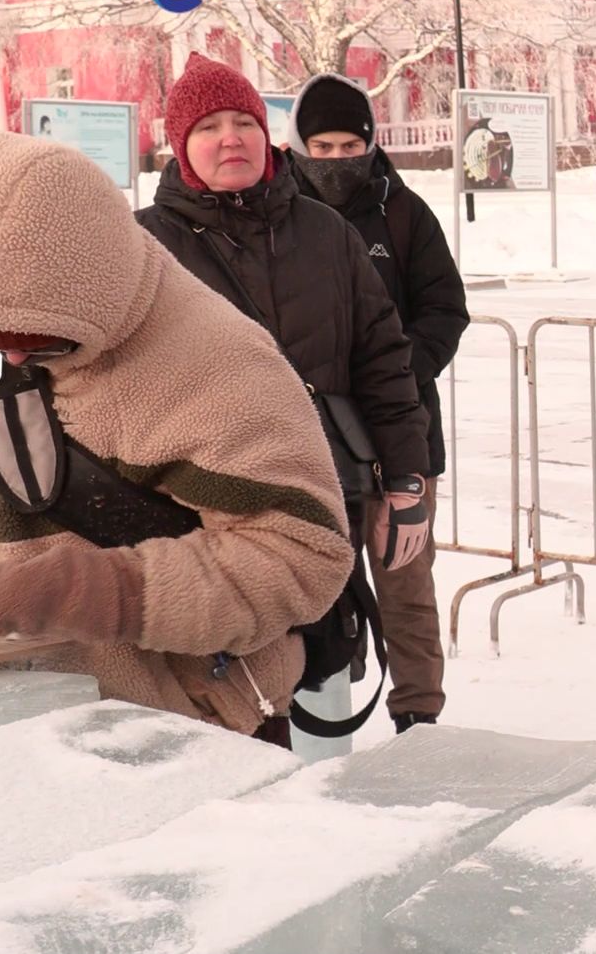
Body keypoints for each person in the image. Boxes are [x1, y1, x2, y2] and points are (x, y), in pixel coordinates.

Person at [0, 130, 352, 739]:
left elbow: (300, 556)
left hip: (198, 727)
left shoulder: (220, 362)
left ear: (85, 296)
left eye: (32, 343)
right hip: (38, 722)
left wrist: (95, 591)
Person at [136, 52, 430, 739]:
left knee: (326, 660)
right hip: (198, 506)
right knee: (225, 675)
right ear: (181, 146)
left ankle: (322, 804)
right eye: (209, 126)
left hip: (325, 493)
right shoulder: (144, 246)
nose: (230, 137)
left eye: (243, 120)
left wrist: (407, 482)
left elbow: (384, 362)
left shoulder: (326, 233)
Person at [285, 72, 469, 734]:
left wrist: (393, 373)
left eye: (347, 146)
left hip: (402, 434)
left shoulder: (404, 212)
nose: (336, 161)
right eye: (322, 147)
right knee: (314, 584)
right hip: (310, 442)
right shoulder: (276, 213)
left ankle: (418, 714)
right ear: (300, 145)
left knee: (406, 585)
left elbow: (445, 309)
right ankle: (314, 712)